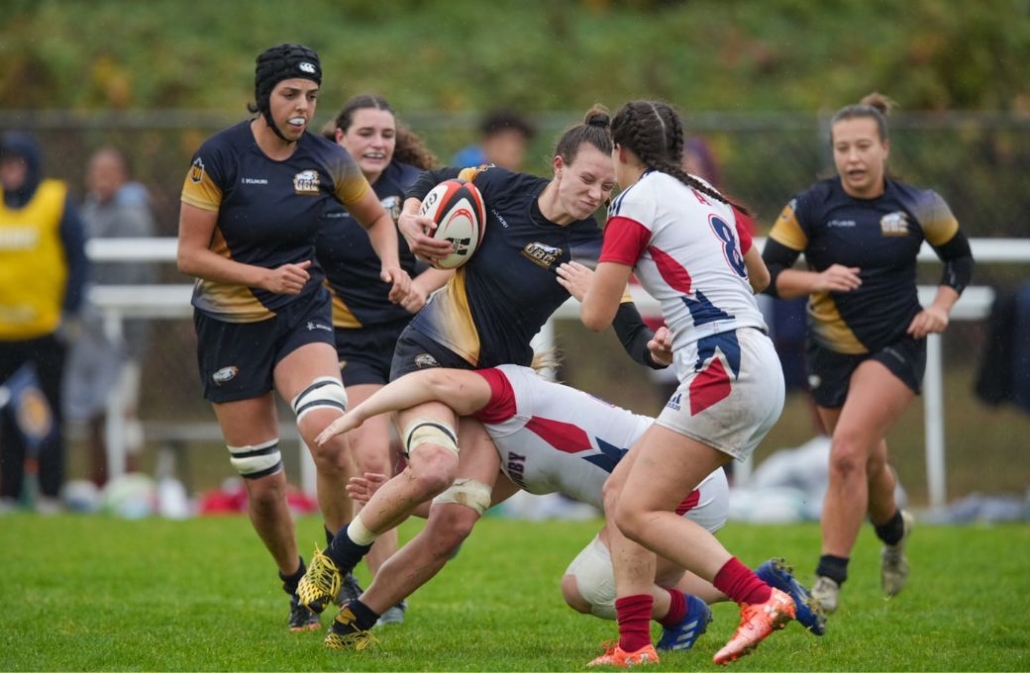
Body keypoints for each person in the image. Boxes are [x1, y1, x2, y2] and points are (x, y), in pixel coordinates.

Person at [296, 105, 672, 650]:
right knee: (434, 467)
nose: (595, 194)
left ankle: (354, 623)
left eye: (607, 187)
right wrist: (408, 220)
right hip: (430, 354)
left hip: (501, 383)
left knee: (453, 524)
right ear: (559, 166)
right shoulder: (499, 187)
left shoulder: (595, 244)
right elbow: (429, 184)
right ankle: (334, 562)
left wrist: (657, 351)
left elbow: (633, 333)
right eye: (587, 179)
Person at [313, 363, 827, 652]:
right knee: (602, 582)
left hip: (682, 486)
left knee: (587, 588)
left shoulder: (506, 393)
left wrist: (358, 413)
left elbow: (436, 383)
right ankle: (744, 592)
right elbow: (463, 506)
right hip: (660, 490)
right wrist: (394, 498)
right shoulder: (497, 450)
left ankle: (691, 614)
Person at [175, 43, 410, 631]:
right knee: (265, 488)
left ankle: (336, 566)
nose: (301, 107)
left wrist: (393, 264)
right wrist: (261, 276)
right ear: (264, 96)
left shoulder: (326, 159)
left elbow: (378, 218)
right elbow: (188, 255)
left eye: (311, 97)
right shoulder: (219, 156)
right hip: (230, 328)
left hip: (300, 315)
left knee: (332, 442)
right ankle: (294, 579)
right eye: (289, 95)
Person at [572, 100, 795, 667]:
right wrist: (688, 318)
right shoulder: (708, 193)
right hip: (749, 354)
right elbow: (760, 276)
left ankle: (758, 597)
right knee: (621, 493)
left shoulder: (635, 198)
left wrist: (586, 285)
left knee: (639, 511)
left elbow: (598, 315)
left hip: (725, 364)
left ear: (620, 152)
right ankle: (634, 646)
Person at [761, 93, 974, 614]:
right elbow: (768, 274)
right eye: (842, 148)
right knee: (868, 462)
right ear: (833, 153)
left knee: (847, 452)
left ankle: (829, 578)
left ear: (884, 147)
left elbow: (959, 259)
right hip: (830, 351)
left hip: (898, 344)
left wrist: (941, 307)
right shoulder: (811, 205)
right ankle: (895, 532)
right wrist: (818, 277)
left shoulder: (919, 203)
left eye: (862, 147)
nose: (852, 158)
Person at [317, 93, 451, 624]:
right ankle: (386, 591)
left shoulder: (418, 189)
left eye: (386, 134)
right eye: (366, 133)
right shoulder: (317, 189)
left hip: (417, 342)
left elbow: (460, 255)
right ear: (339, 138)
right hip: (351, 346)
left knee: (451, 471)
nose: (377, 143)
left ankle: (440, 527)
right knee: (371, 459)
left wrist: (420, 285)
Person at [0, 131, 89, 513]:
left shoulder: (54, 200)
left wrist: (68, 315)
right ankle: (9, 494)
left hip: (45, 333)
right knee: (5, 418)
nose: (9, 171)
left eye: (15, 163)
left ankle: (51, 493)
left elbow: (78, 260)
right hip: (4, 334)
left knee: (48, 415)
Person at [64, 146, 157, 487]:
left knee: (123, 409)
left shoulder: (131, 217)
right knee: (94, 413)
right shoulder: (86, 214)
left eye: (109, 172)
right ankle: (100, 484)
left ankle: (127, 483)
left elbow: (130, 278)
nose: (101, 179)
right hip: (90, 337)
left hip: (122, 339)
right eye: (95, 171)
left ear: (123, 176)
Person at [451, 108, 535, 170]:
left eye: (521, 143)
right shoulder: (468, 173)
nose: (515, 149)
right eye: (511, 141)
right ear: (487, 141)